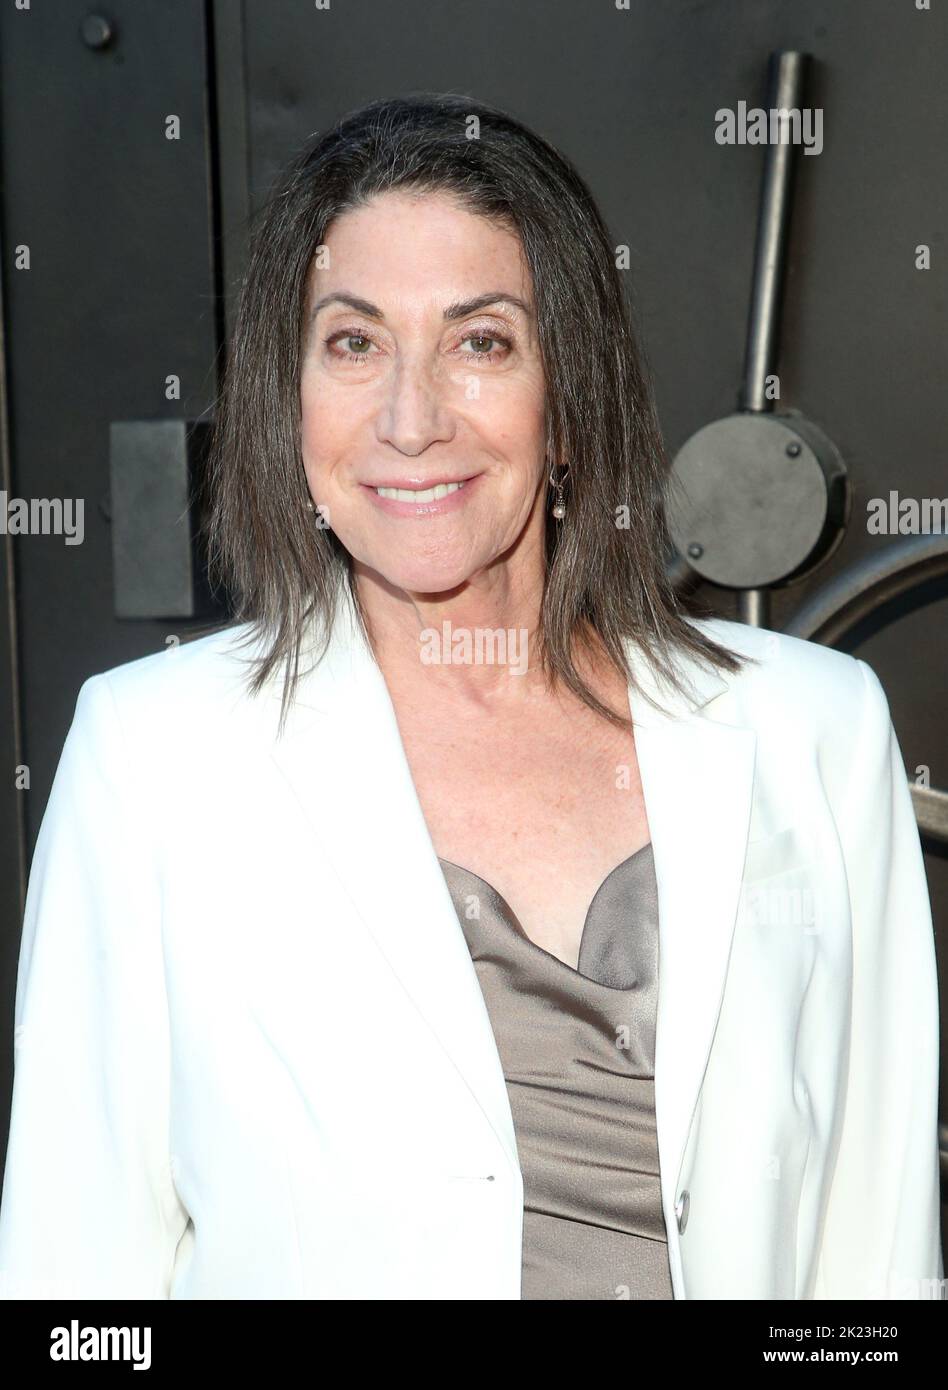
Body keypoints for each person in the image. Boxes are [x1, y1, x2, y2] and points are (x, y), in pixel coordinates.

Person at [0, 93, 942, 1301]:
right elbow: (75, 1293)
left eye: (480, 341)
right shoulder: (153, 756)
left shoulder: (817, 729)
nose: (410, 417)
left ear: (568, 401)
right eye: (353, 343)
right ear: (289, 406)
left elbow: (877, 1262)